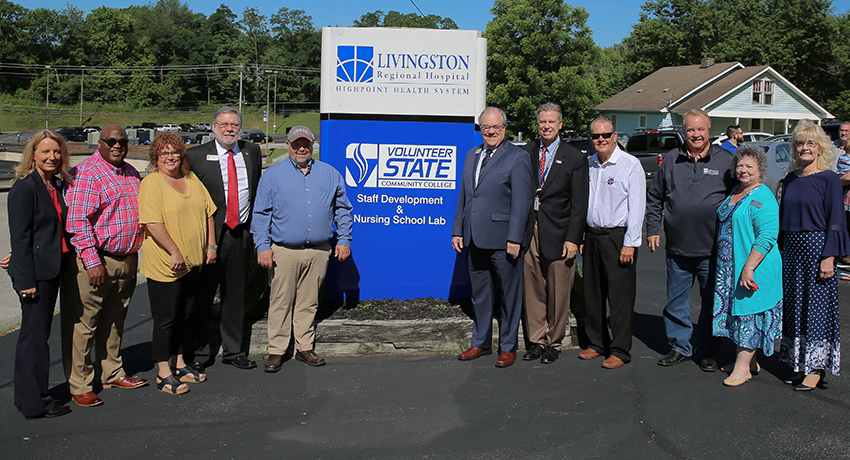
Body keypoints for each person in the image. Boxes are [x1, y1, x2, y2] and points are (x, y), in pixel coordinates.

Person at [252, 126, 352, 371]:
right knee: (280, 301)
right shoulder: (273, 175)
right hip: (283, 251)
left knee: (309, 301)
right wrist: (263, 246)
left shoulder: (330, 174)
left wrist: (344, 239)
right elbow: (261, 213)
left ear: (313, 145)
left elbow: (343, 209)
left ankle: (304, 347)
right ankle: (277, 350)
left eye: (305, 143)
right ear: (288, 145)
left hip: (318, 250)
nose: (301, 148)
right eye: (296, 144)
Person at [64, 125, 148, 408]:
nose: (117, 145)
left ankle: (112, 372)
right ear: (99, 143)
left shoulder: (131, 173)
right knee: (84, 324)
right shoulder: (86, 173)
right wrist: (91, 261)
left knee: (115, 320)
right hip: (97, 260)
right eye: (111, 141)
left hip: (127, 259)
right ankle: (80, 384)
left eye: (122, 141)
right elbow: (78, 222)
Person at [646, 109, 734, 372]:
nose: (696, 134)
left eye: (701, 129)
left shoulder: (725, 160)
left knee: (711, 303)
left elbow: (738, 198)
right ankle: (680, 346)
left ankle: (706, 350)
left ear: (709, 131)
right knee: (676, 301)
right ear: (684, 132)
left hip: (712, 248)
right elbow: (655, 197)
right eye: (690, 130)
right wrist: (652, 229)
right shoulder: (671, 159)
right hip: (678, 247)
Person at [452, 107, 533, 368]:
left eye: (496, 127)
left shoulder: (518, 157)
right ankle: (481, 342)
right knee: (480, 294)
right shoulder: (471, 155)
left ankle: (508, 347)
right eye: (486, 127)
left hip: (503, 240)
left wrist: (515, 238)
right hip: (474, 238)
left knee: (509, 296)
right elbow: (466, 196)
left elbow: (522, 203)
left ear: (504, 128)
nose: (491, 132)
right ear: (480, 129)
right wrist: (458, 229)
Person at [139, 133, 217, 394]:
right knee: (166, 319)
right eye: (164, 153)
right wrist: (174, 250)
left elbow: (208, 211)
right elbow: (152, 222)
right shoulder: (152, 183)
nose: (170, 157)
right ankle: (163, 371)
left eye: (174, 152)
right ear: (156, 158)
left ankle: (180, 362)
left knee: (185, 315)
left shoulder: (190, 178)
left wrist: (211, 245)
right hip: (167, 265)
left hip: (194, 262)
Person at [187, 106, 262, 371]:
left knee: (235, 296)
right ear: (214, 127)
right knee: (203, 296)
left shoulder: (252, 152)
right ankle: (199, 353)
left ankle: (234, 351)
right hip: (208, 238)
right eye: (224, 125)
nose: (229, 129)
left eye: (234, 125)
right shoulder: (195, 156)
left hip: (240, 235)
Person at [778, 121, 849, 391]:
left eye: (811, 143)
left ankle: (816, 367)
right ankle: (799, 363)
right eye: (800, 143)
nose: (805, 148)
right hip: (791, 250)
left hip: (817, 248)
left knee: (817, 309)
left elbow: (836, 219)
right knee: (795, 307)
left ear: (820, 148)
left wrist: (829, 256)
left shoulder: (829, 179)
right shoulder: (791, 179)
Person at [9, 130, 73, 419]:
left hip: (52, 267)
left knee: (37, 336)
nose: (52, 157)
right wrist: (25, 280)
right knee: (33, 339)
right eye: (45, 151)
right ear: (32, 154)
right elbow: (20, 238)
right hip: (35, 276)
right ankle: (36, 403)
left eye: (56, 151)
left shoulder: (54, 184)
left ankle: (29, 398)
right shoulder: (25, 188)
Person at [520, 103, 588, 364]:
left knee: (559, 290)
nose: (546, 126)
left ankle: (554, 342)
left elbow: (580, 203)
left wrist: (573, 238)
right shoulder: (526, 152)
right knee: (533, 287)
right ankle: (536, 341)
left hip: (560, 232)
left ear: (560, 125)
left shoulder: (575, 157)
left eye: (551, 122)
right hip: (531, 229)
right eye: (542, 122)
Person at [712, 144, 783, 387]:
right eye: (740, 165)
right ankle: (749, 362)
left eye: (749, 166)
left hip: (752, 268)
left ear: (760, 169)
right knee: (739, 315)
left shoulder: (763, 197)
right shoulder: (736, 190)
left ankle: (742, 369)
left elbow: (767, 236)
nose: (743, 170)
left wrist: (749, 267)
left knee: (748, 317)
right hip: (730, 268)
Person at [581, 117, 646, 369]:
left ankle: (619, 349)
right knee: (593, 293)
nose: (601, 140)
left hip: (618, 238)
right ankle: (596, 343)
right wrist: (582, 236)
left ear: (615, 136)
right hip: (592, 235)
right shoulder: (588, 164)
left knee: (620, 296)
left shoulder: (630, 165)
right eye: (596, 136)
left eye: (606, 135)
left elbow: (637, 206)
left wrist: (630, 243)